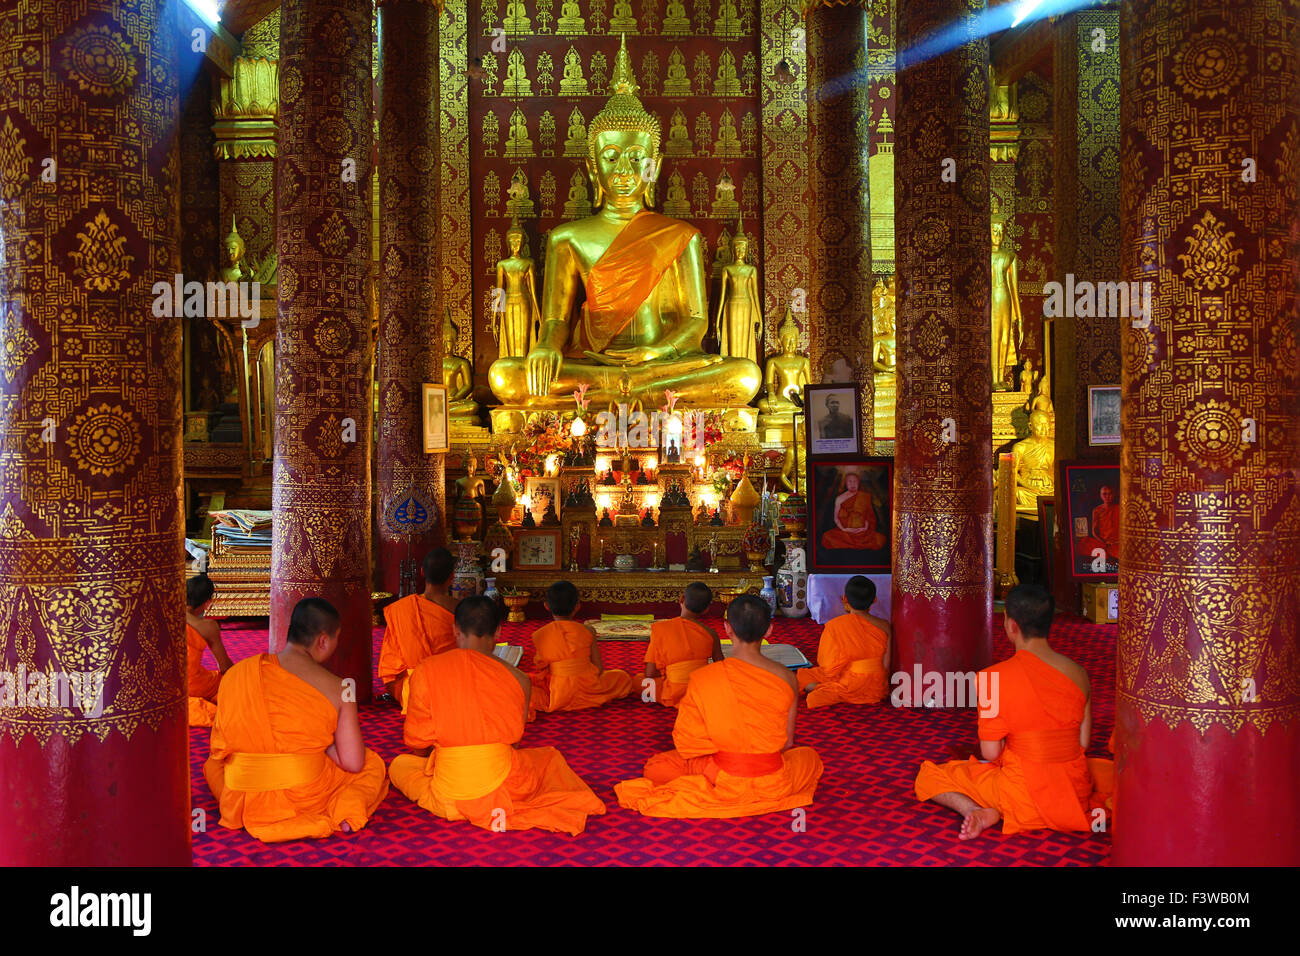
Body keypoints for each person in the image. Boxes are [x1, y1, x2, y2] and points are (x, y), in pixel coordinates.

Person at [388, 597, 607, 835]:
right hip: (502, 784)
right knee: (549, 760)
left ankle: (456, 800)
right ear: (499, 632)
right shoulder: (519, 679)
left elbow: (416, 741)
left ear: (454, 629)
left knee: (400, 765)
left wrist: (436, 760)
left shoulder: (426, 669)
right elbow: (514, 741)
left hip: (447, 793)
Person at [913, 584, 1113, 839]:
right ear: (1049, 622)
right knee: (1107, 774)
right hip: (1074, 792)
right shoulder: (1079, 673)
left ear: (1011, 625)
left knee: (931, 775)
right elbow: (1082, 743)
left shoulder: (993, 679)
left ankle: (976, 809)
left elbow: (990, 751)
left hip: (1019, 793)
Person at [615, 595, 823, 818]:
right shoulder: (787, 677)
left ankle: (722, 784)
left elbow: (687, 744)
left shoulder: (704, 677)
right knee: (809, 757)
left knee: (656, 767)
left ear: (727, 628)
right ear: (769, 631)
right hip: (772, 778)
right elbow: (788, 742)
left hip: (724, 774)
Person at [204, 598, 389, 842]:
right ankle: (345, 812)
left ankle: (256, 809)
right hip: (304, 794)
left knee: (213, 765)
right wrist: (328, 746)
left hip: (243, 792)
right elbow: (353, 763)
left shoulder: (237, 674)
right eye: (336, 638)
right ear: (323, 641)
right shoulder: (340, 688)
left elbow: (220, 747)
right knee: (372, 764)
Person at [529, 581, 634, 718]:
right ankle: (584, 697)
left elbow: (541, 665)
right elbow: (599, 668)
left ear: (547, 606)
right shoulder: (588, 630)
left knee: (525, 684)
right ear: (577, 606)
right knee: (622, 677)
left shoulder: (541, 634)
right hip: (589, 687)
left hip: (559, 692)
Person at [378, 548, 458, 712]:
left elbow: (390, 663)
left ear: (422, 572)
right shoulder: (460, 609)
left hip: (415, 689)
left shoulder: (403, 609)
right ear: (452, 576)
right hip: (453, 685)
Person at [798, 575, 890, 708]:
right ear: (874, 600)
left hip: (850, 682)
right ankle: (837, 688)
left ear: (844, 599)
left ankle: (828, 688)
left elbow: (827, 665)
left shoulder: (835, 626)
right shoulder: (885, 626)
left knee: (803, 676)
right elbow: (886, 665)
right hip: (877, 685)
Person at [642, 582, 724, 707]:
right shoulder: (711, 634)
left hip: (672, 693)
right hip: (700, 691)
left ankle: (654, 696)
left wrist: (668, 672)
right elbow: (721, 668)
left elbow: (650, 673)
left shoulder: (662, 629)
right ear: (707, 609)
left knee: (641, 681)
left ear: (681, 599)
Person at [186, 573, 233, 727]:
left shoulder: (165, 615)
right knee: (229, 682)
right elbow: (225, 666)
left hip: (163, 685)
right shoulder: (207, 627)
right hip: (192, 684)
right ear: (207, 603)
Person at [819, 469, 886, 551]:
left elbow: (870, 516)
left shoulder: (865, 497)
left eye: (855, 481)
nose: (852, 484)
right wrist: (844, 529)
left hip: (862, 532)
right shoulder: (840, 498)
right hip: (845, 532)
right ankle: (852, 542)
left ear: (858, 483)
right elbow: (836, 518)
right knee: (827, 537)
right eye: (850, 481)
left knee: (880, 539)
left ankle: (855, 542)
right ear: (846, 483)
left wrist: (865, 527)